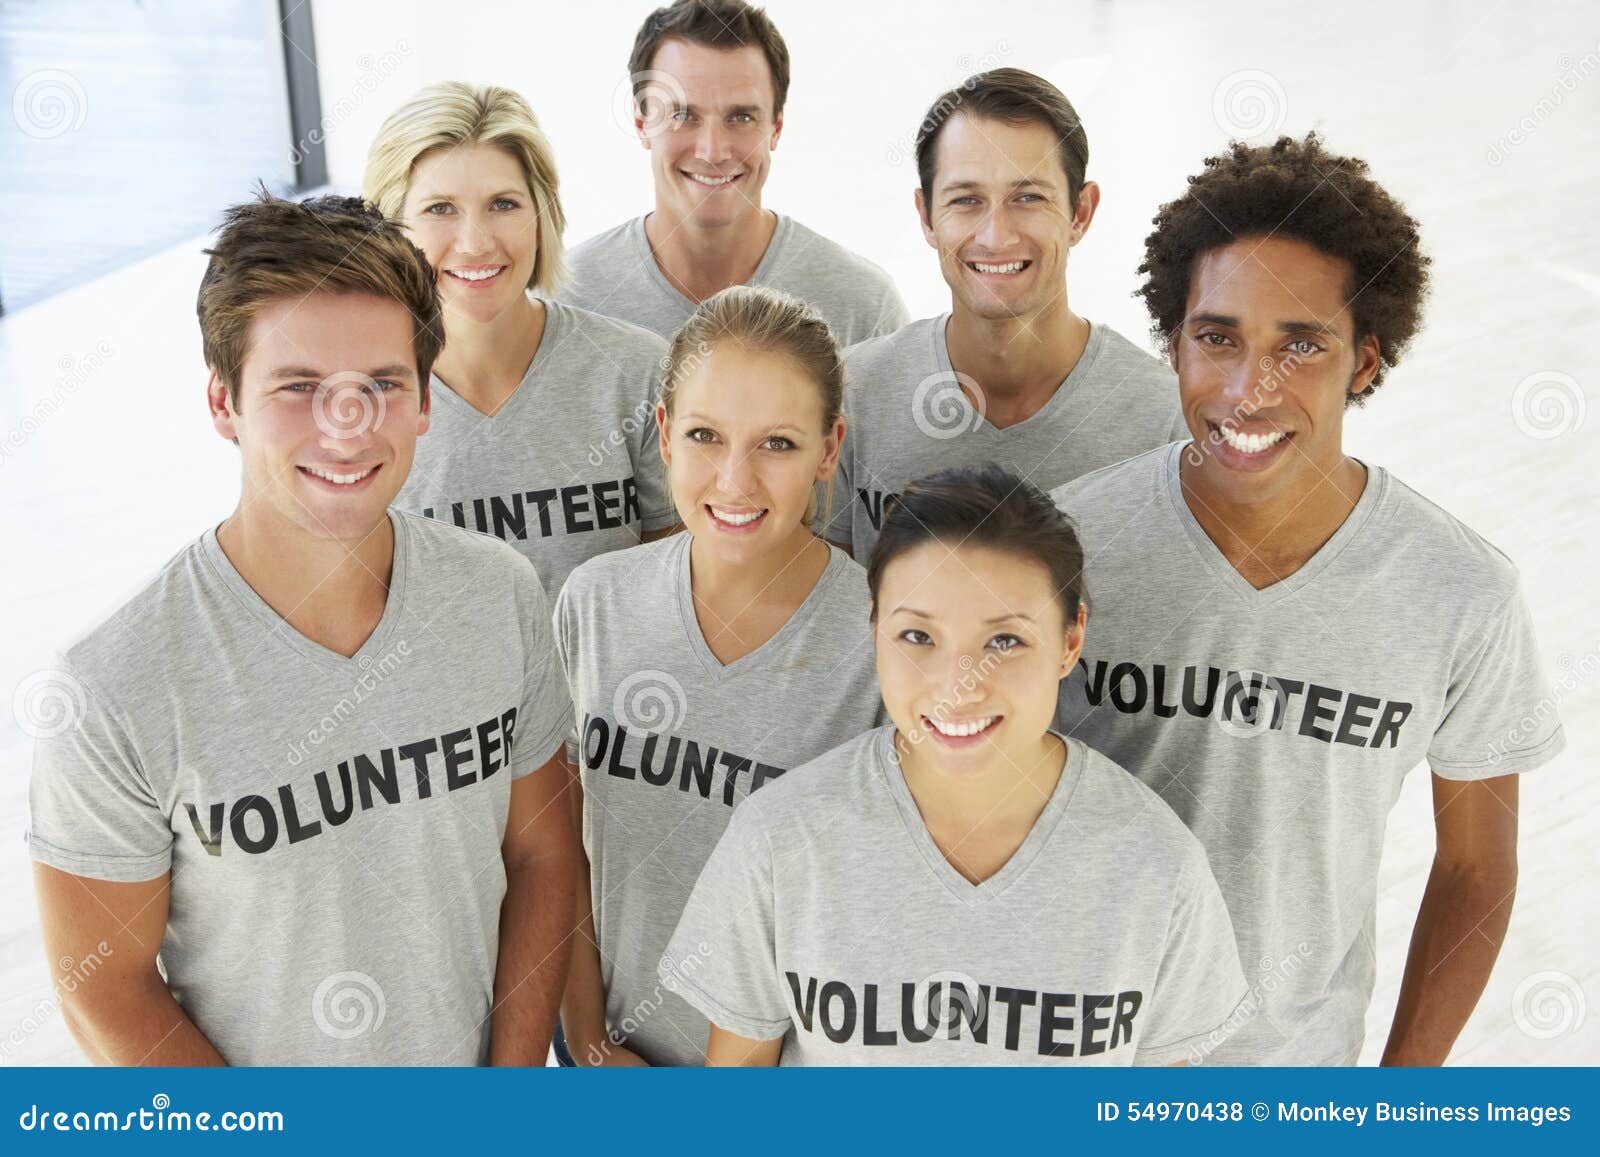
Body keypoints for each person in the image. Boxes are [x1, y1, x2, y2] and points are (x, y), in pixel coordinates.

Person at [27, 192, 579, 1065]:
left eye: (382, 384)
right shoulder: (112, 684)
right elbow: (102, 987)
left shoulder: (499, 596)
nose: (346, 423)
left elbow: (544, 858)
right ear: (224, 401)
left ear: (426, 400)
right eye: (298, 387)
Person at [1051, 134, 1566, 1065]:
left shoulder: (1461, 592)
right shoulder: (1067, 550)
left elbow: (1474, 867)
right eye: (1218, 338)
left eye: (1302, 344)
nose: (1252, 389)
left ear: (1365, 361)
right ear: (1173, 344)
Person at [661, 466, 1247, 1065]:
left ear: (1070, 643)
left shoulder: (1158, 865)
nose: (956, 687)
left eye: (1003, 642)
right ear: (874, 629)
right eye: (917, 636)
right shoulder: (781, 839)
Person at [554, 285, 882, 1066]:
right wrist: (592, 1043)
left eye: (777, 444)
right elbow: (556, 850)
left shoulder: (885, 637)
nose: (735, 481)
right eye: (706, 434)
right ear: (663, 434)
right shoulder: (594, 602)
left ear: (829, 449)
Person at [825, 68, 1187, 562]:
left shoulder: (1168, 421)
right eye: (967, 200)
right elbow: (825, 609)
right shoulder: (852, 396)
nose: (997, 235)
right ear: (927, 217)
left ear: (1081, 212)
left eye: (1029, 197)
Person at [367, 82, 678, 600]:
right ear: (391, 226)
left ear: (543, 215)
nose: (475, 242)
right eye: (440, 208)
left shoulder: (639, 372)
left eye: (503, 204)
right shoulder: (358, 399)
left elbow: (673, 590)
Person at [561, 0, 907, 345]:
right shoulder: (565, 300)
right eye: (682, 115)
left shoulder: (864, 310)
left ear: (776, 127)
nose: (713, 152)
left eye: (741, 117)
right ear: (641, 122)